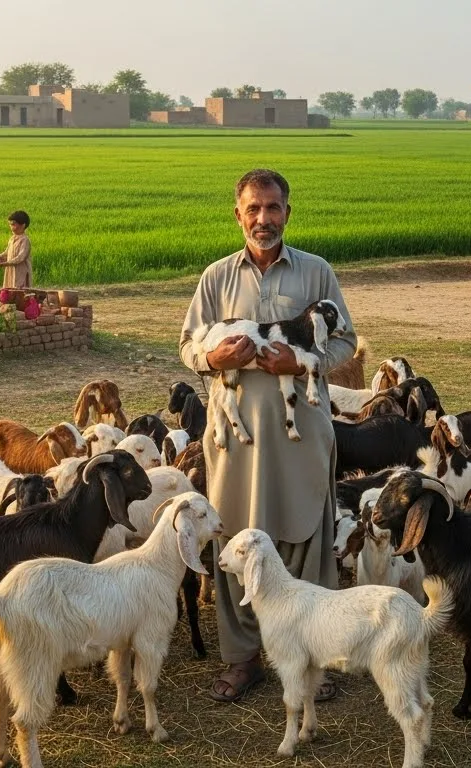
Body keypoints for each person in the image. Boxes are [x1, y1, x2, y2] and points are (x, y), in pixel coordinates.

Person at [179, 169, 357, 703]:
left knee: (304, 538)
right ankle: (244, 659)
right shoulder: (216, 278)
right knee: (237, 537)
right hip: (235, 440)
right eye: (253, 208)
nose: (263, 218)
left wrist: (301, 364)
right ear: (238, 215)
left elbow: (345, 342)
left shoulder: (317, 273)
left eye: (273, 207)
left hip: (301, 434)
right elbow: (188, 345)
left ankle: (309, 661)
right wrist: (213, 359)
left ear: (287, 212)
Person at [0, 210, 32, 289]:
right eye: (10, 224)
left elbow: (21, 257)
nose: (11, 227)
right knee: (10, 289)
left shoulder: (25, 240)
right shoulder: (12, 239)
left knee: (20, 291)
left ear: (23, 225)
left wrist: (6, 263)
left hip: (21, 271)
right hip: (10, 270)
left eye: (13, 224)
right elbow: (7, 253)